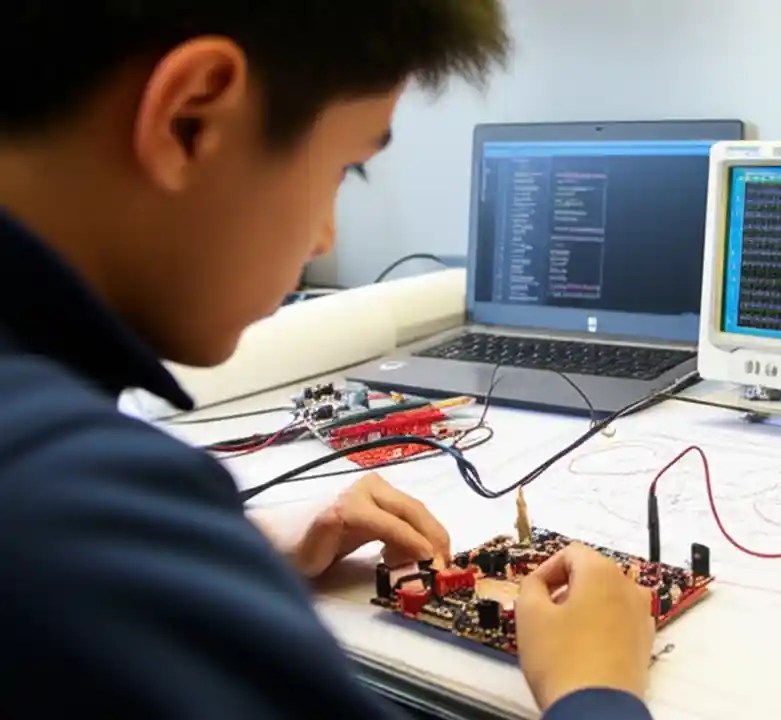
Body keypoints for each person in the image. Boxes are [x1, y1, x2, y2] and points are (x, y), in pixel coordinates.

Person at [0, 3, 657, 718]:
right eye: (350, 168)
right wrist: (596, 688)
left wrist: (235, 545)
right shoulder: (68, 518)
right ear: (191, 119)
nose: (324, 239)